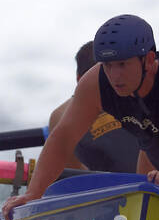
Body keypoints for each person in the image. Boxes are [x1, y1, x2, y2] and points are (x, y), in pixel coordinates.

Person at [1, 15, 159, 220]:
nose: (114, 76)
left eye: (122, 64)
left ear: (148, 60)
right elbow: (63, 138)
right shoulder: (96, 81)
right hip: (153, 157)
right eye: (107, 65)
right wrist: (34, 194)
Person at [47, 41, 140, 173]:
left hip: (102, 189)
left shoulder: (60, 115)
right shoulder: (144, 94)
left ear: (79, 79)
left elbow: (74, 173)